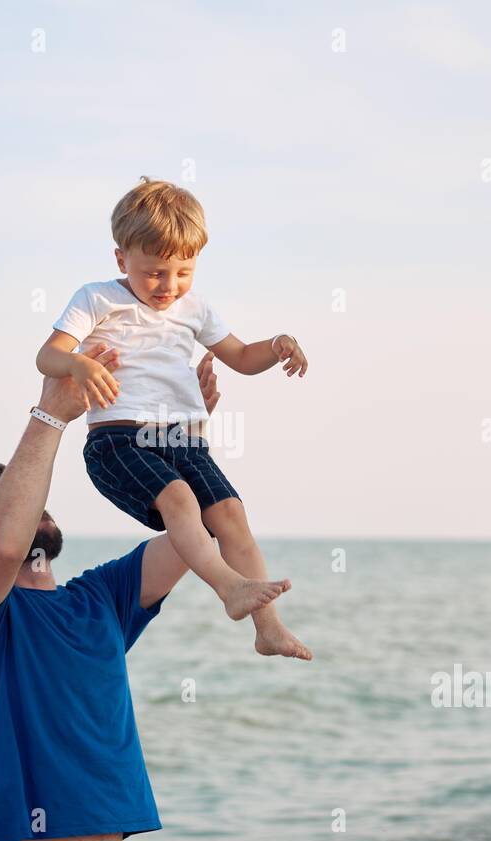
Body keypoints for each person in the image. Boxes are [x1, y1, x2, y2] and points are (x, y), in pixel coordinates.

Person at [0, 344, 221, 841]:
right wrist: (52, 413)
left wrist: (185, 437)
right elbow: (6, 545)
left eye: (30, 500)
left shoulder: (100, 599)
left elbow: (198, 529)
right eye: (6, 506)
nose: (31, 509)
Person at [36, 175, 313, 661]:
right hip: (120, 441)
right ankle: (229, 588)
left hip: (184, 440)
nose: (169, 285)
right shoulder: (98, 298)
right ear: (122, 259)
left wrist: (276, 346)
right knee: (181, 500)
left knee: (231, 514)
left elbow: (242, 357)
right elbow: (48, 355)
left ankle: (267, 628)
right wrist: (80, 362)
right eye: (155, 272)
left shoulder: (196, 309)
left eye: (183, 271)